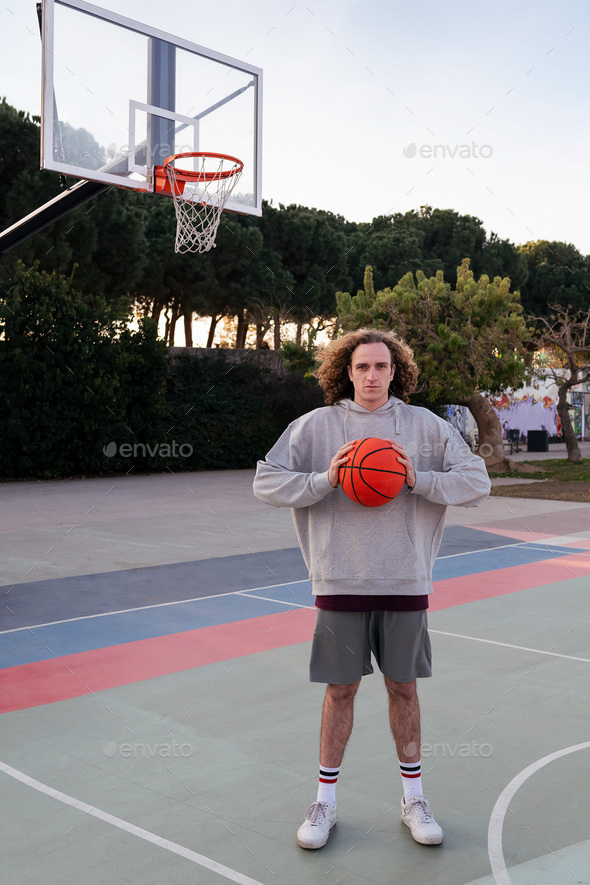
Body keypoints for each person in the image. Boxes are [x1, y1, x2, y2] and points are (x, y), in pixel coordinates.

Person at [253, 328, 491, 850]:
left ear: (395, 371)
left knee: (403, 687)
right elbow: (265, 481)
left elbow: (477, 481)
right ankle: (325, 803)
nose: (372, 376)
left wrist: (419, 480)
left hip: (405, 579)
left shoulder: (425, 427)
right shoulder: (314, 427)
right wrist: (323, 481)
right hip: (340, 579)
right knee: (340, 691)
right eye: (362, 367)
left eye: (381, 367)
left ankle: (413, 798)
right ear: (346, 371)